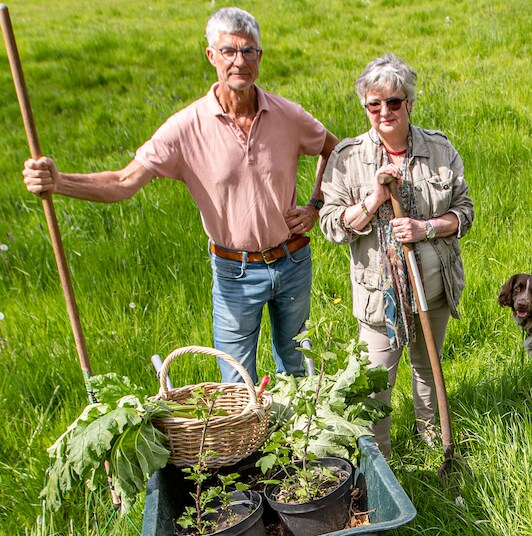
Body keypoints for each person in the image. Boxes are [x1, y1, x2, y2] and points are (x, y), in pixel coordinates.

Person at [22, 7, 338, 384]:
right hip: (234, 272)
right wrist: (60, 183)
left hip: (292, 262)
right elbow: (125, 182)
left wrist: (316, 206)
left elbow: (335, 149)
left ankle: (295, 442)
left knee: (296, 370)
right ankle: (250, 445)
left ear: (260, 57)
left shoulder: (287, 115)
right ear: (211, 56)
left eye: (249, 51)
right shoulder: (186, 128)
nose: (239, 61)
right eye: (228, 51)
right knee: (237, 384)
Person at [318, 54, 474, 457]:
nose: (384, 111)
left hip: (433, 287)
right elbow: (332, 226)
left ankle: (432, 443)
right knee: (376, 384)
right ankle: (380, 460)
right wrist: (372, 201)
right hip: (378, 296)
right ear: (365, 106)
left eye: (394, 102)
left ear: (409, 104)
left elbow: (465, 212)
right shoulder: (348, 158)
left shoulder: (439, 150)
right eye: (375, 104)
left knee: (427, 367)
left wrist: (427, 228)